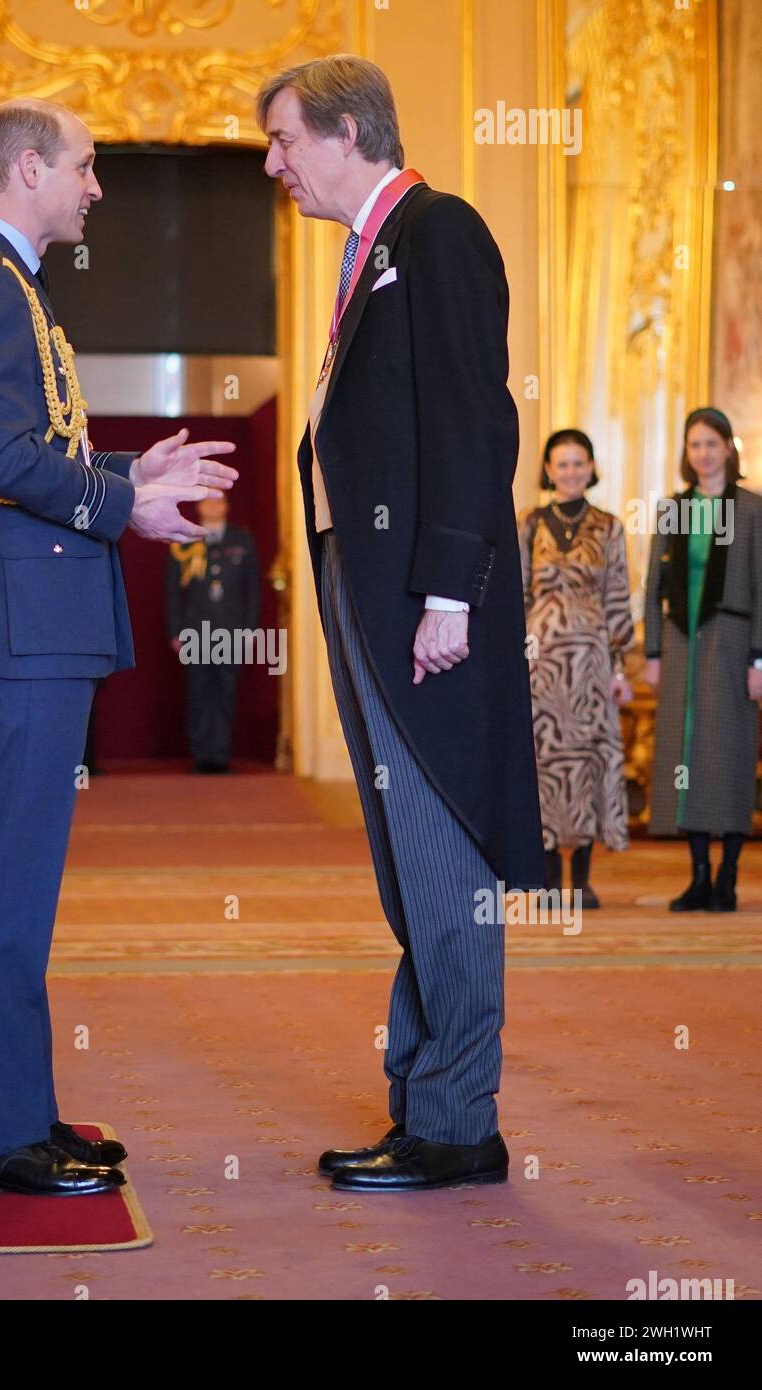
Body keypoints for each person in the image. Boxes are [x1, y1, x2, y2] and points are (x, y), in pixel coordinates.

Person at [0, 98, 237, 1195]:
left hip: (41, 620)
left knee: (26, 883)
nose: (97, 188)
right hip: (21, 625)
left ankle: (19, 1111)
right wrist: (121, 507)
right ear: (25, 168)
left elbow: (34, 444)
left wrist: (131, 478)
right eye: (86, 167)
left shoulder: (15, 285)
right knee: (7, 881)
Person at [257, 55, 543, 1193]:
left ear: (341, 131)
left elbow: (476, 422)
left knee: (444, 857)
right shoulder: (365, 250)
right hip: (366, 592)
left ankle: (457, 1124)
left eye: (283, 141)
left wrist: (445, 593)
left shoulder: (439, 232)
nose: (274, 164)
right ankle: (426, 1102)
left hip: (426, 606)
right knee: (407, 866)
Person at [644, 407, 762, 912]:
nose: (704, 453)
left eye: (712, 443)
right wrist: (652, 652)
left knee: (730, 757)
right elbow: (653, 587)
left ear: (728, 450)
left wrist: (760, 660)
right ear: (686, 453)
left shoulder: (752, 509)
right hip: (681, 645)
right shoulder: (674, 507)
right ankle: (697, 877)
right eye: (695, 444)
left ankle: (728, 878)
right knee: (683, 756)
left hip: (733, 643)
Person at [518, 429, 634, 907]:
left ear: (591, 467)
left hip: (590, 661)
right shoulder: (528, 522)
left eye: (578, 463)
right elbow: (518, 593)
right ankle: (545, 878)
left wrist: (621, 667)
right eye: (561, 464)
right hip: (539, 661)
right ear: (548, 470)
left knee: (586, 762)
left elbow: (619, 597)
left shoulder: (609, 526)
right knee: (543, 765)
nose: (570, 472)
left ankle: (581, 879)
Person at [166, 496, 260, 772]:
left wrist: (250, 629)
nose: (212, 507)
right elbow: (173, 591)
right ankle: (201, 756)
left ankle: (220, 756)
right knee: (198, 693)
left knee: (225, 693)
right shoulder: (184, 539)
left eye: (218, 501)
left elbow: (252, 590)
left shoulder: (243, 540)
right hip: (195, 630)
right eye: (207, 501)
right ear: (199, 506)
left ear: (226, 506)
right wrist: (175, 630)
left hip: (230, 630)